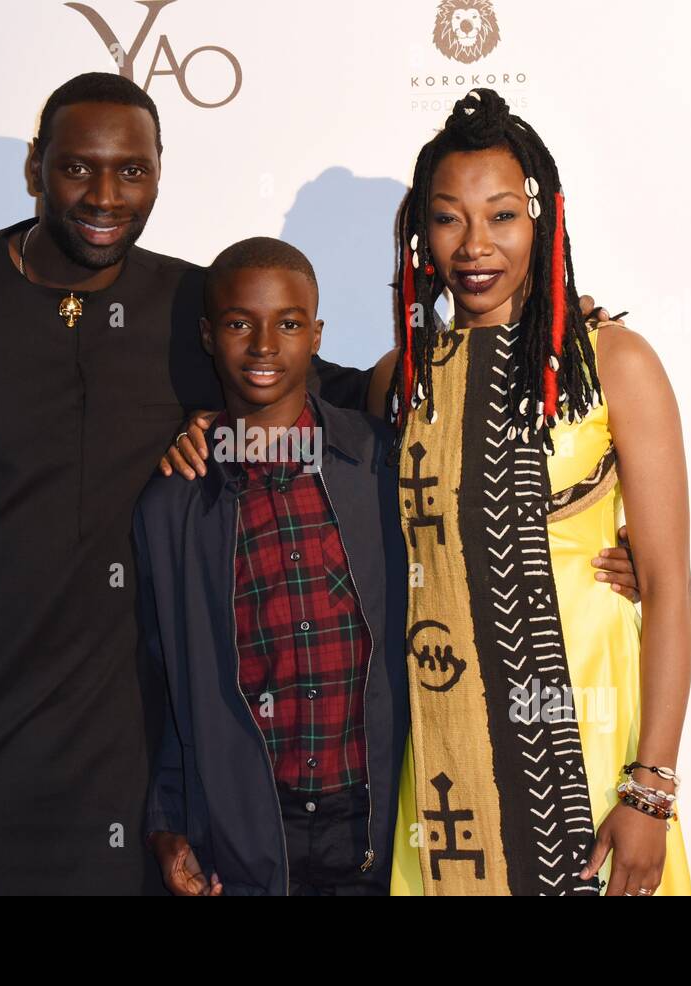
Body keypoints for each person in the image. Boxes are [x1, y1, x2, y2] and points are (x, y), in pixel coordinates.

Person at [0, 73, 362, 894]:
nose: (104, 194)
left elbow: (333, 388)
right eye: (77, 168)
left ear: (159, 174)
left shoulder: (195, 309)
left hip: (106, 780)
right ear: (35, 168)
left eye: (132, 171)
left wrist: (526, 332)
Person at [369, 88, 691, 896]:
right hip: (448, 760)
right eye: (449, 218)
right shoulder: (399, 381)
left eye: (503, 215)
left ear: (542, 220)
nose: (476, 245)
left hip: (591, 741)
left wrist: (650, 790)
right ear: (421, 234)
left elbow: (669, 588)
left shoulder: (612, 361)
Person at [135, 237, 409, 895]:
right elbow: (170, 677)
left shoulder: (381, 462)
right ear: (208, 335)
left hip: (380, 818)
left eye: (287, 324)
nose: (263, 345)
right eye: (239, 324)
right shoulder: (174, 503)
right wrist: (170, 818)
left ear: (315, 334)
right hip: (250, 830)